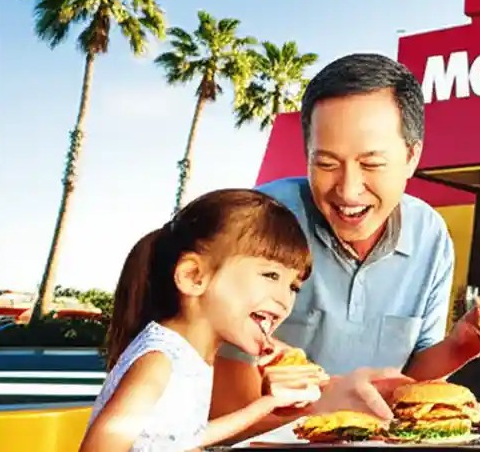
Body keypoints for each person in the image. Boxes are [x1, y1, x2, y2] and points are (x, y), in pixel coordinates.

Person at [210, 53, 480, 436]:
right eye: (326, 164)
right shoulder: (260, 224)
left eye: (371, 164)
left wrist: (459, 346)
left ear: (411, 156)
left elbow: (406, 381)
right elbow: (222, 414)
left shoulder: (431, 236)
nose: (348, 191)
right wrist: (323, 405)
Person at [80, 189, 327, 452]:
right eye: (270, 275)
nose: (285, 300)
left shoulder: (191, 358)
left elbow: (186, 438)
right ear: (194, 276)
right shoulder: (159, 361)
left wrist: (269, 403)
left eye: (293, 287)